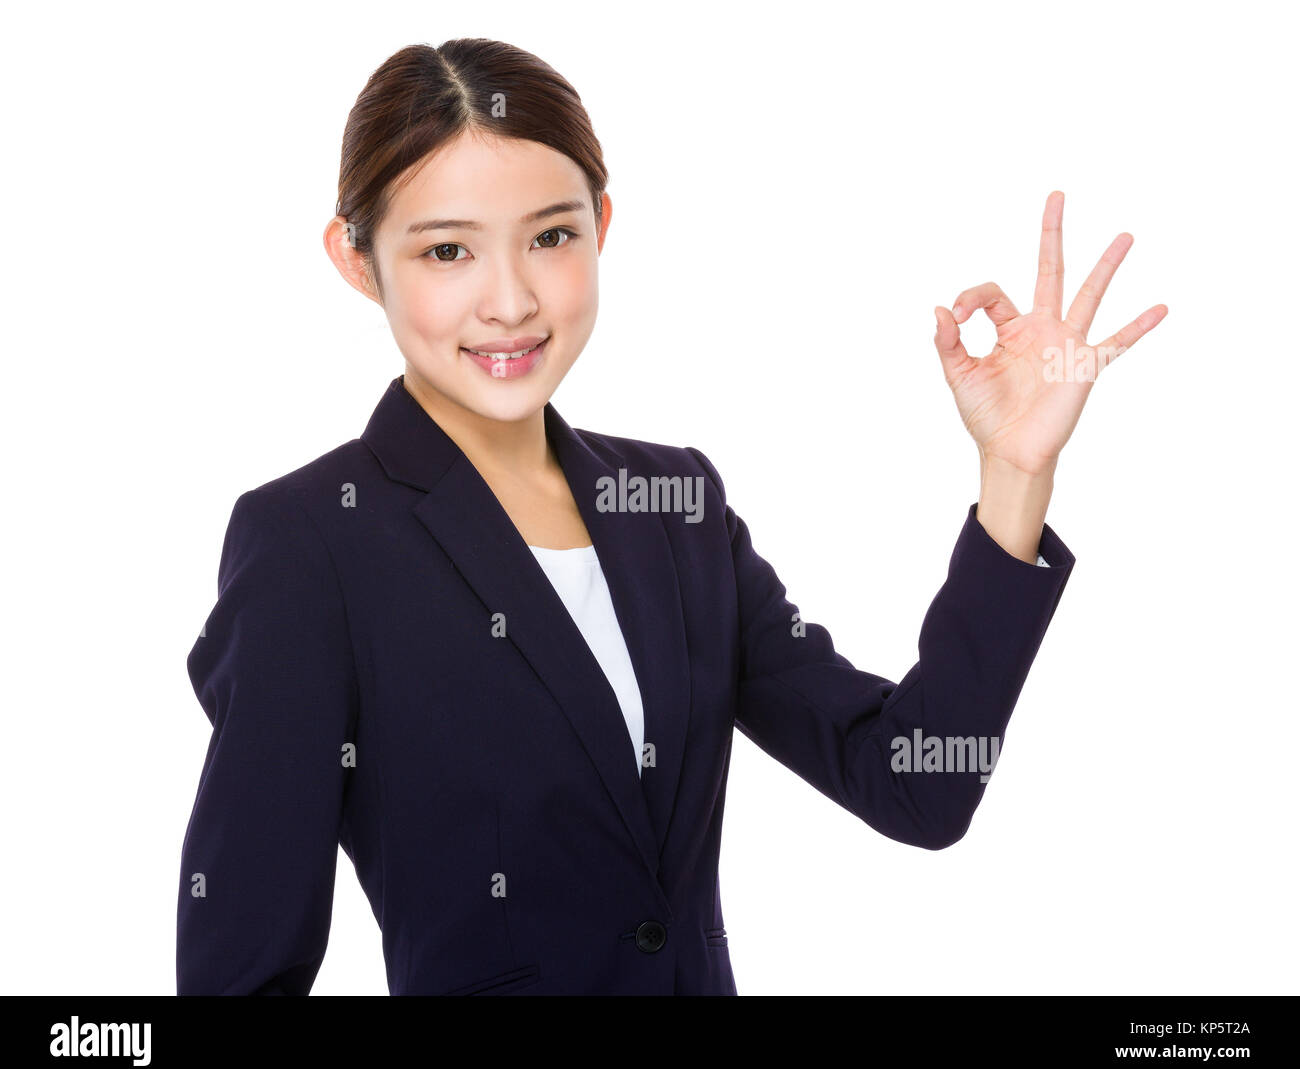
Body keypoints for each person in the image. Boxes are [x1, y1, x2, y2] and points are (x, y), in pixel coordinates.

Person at [176, 38, 1166, 996]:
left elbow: (913, 784)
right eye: (447, 251)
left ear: (601, 225)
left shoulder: (673, 507)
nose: (511, 301)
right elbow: (238, 972)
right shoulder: (312, 544)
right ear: (357, 261)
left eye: (552, 236)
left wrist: (1013, 472)